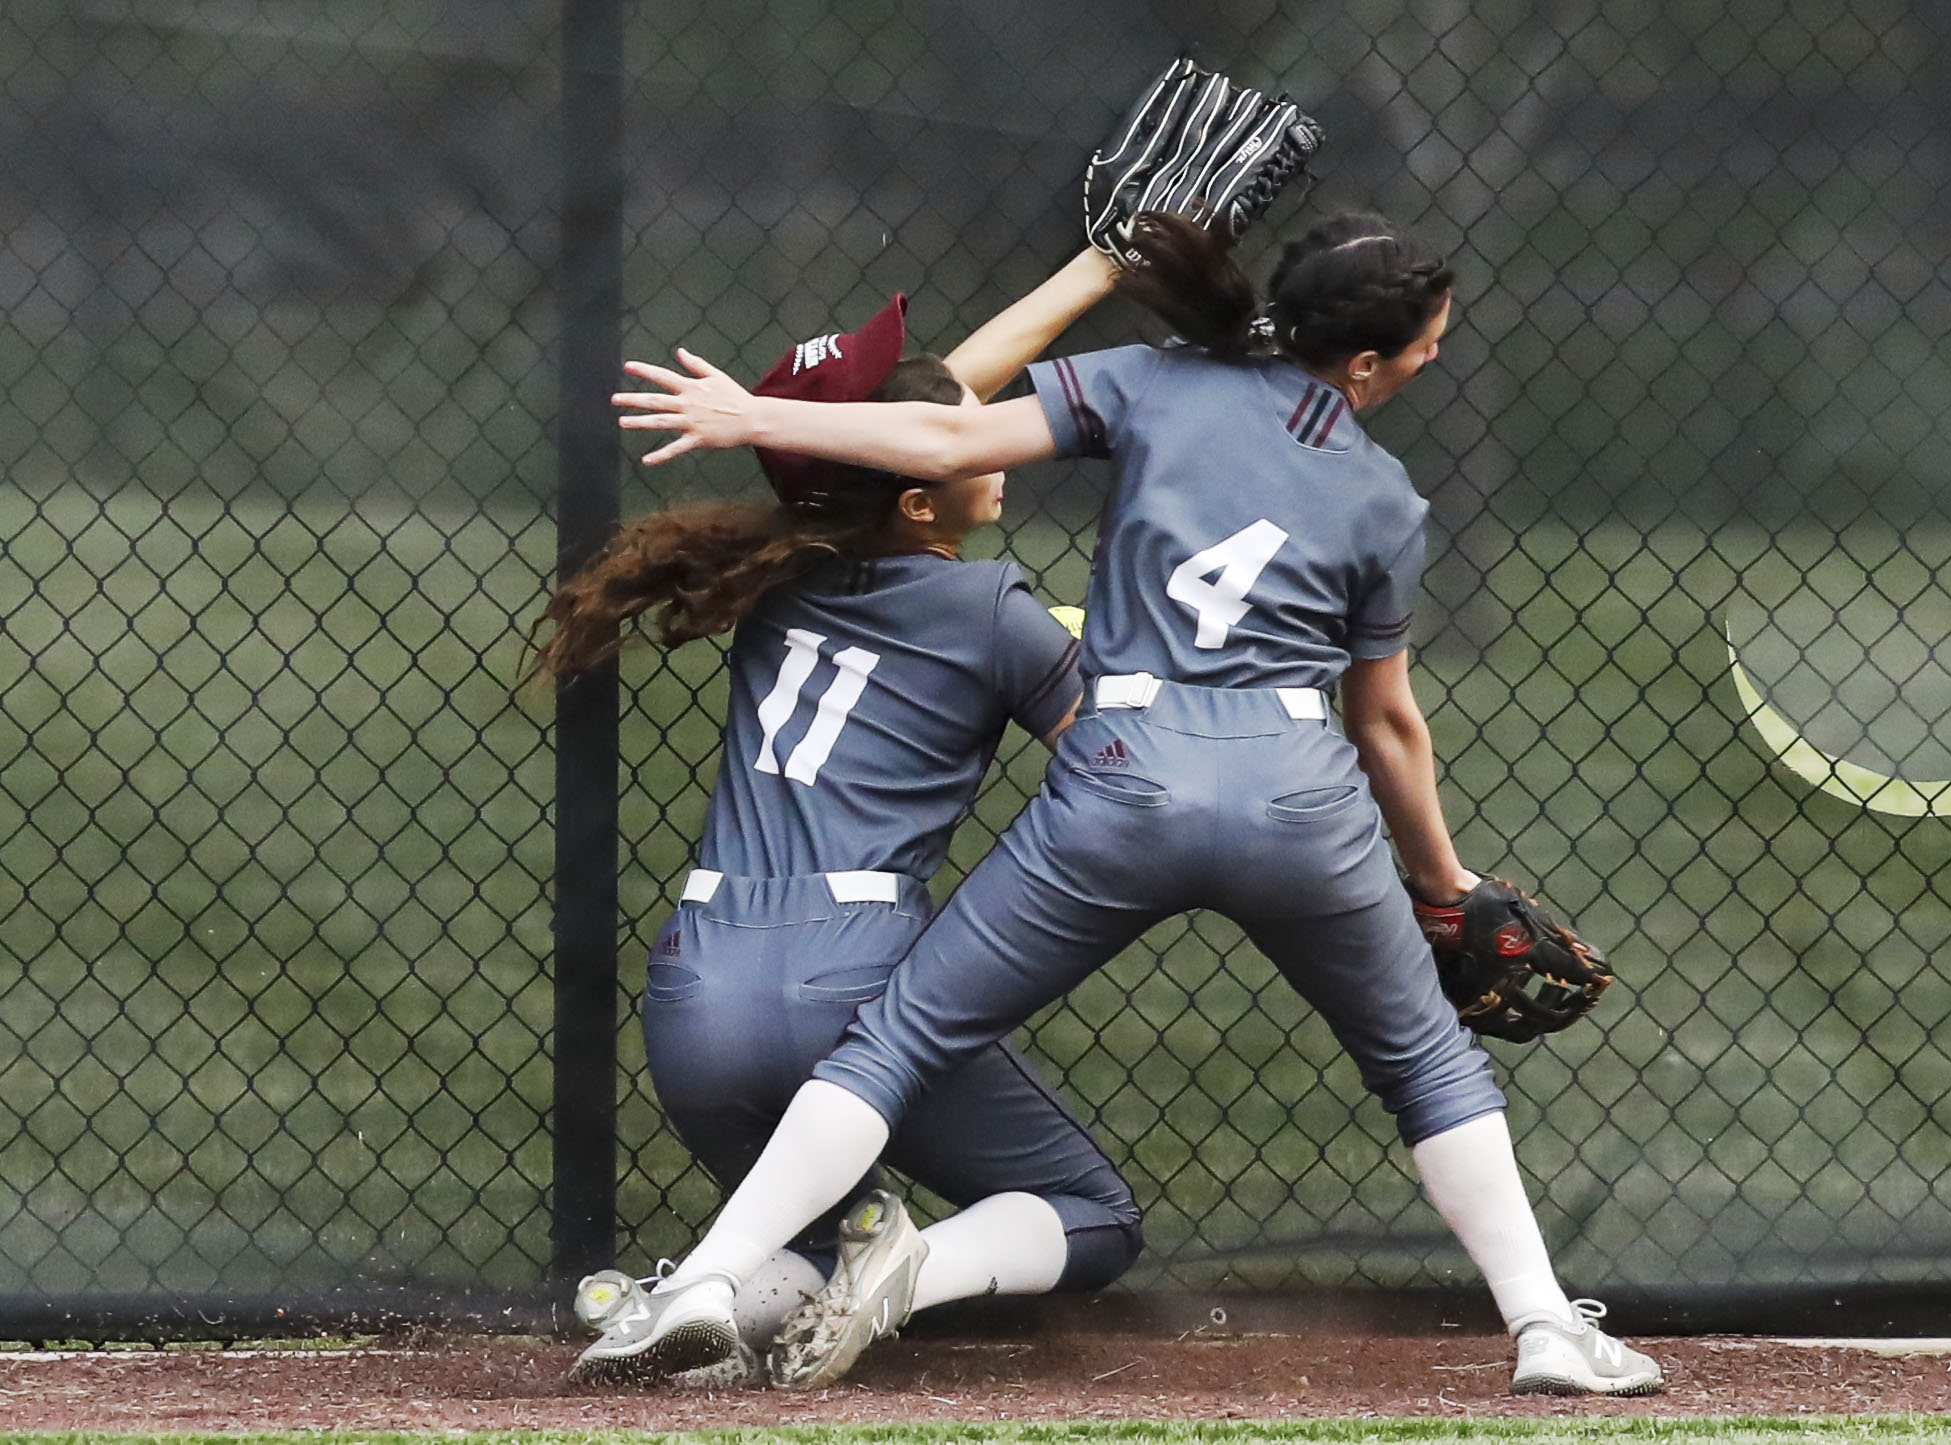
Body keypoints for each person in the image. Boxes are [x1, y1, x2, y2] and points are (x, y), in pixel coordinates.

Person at [611, 211, 1667, 1398]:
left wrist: (755, 417)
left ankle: (704, 1277)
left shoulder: (1149, 382)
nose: (1432, 358)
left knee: (899, 1041)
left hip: (1125, 777)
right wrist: (1442, 882)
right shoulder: (1384, 497)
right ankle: (1544, 1328)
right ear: (1361, 364)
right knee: (1427, 1064)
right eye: (1426, 342)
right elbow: (1385, 721)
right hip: (1293, 787)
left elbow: (939, 431)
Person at [534, 249, 1144, 1388]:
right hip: (847, 977)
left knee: (804, 1241)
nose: (977, 429)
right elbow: (1122, 769)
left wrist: (1095, 268)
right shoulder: (990, 607)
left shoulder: (788, 564)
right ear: (913, 490)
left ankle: (678, 1298)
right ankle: (902, 1267)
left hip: (693, 995)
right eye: (947, 436)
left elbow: (921, 424)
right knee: (1091, 1211)